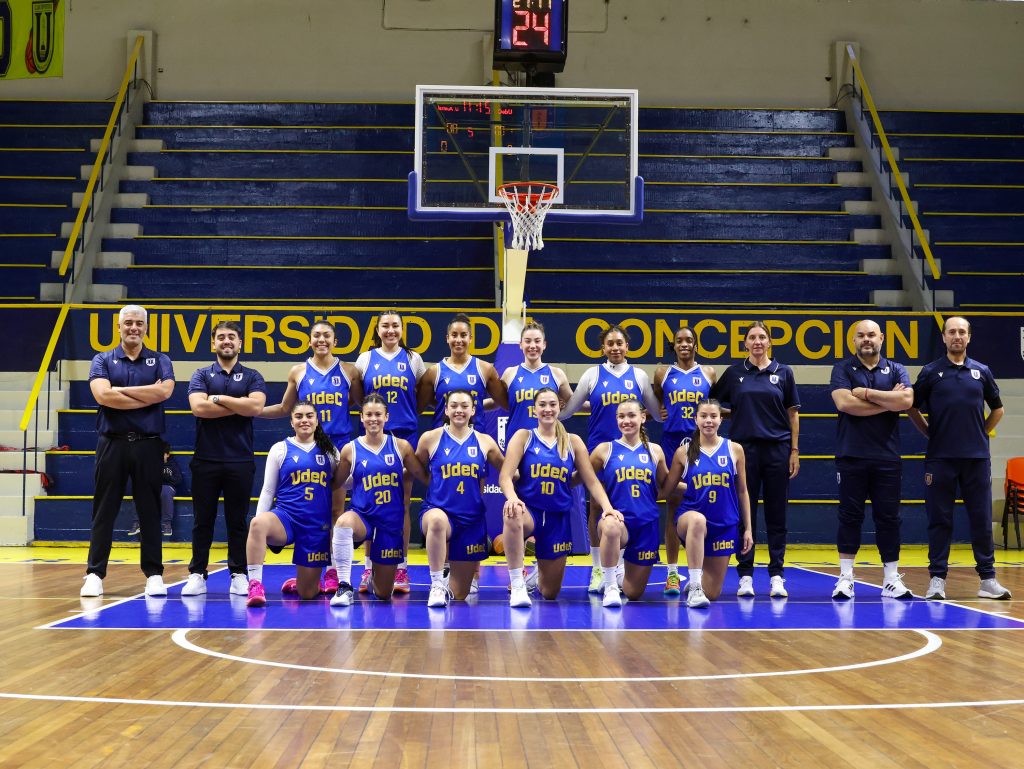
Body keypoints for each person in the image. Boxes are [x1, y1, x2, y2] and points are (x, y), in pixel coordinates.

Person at [908, 316, 1009, 601]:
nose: (957, 336)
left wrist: (981, 433)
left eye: (962, 332)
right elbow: (912, 408)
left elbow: (998, 409)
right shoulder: (930, 372)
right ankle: (937, 580)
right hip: (940, 459)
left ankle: (988, 580)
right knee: (939, 519)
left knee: (980, 519)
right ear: (943, 338)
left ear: (969, 337)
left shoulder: (982, 371)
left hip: (976, 459)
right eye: (952, 331)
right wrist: (931, 434)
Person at [260, 319, 363, 593]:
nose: (321, 340)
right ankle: (310, 571)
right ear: (309, 341)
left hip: (337, 447)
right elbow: (285, 407)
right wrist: (252, 410)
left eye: (326, 335)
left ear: (335, 341)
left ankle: (332, 571)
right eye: (316, 335)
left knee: (335, 511)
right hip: (307, 447)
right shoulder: (298, 371)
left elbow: (359, 404)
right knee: (310, 510)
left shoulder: (349, 371)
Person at [558, 324, 662, 594]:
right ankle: (598, 568)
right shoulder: (592, 375)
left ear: (627, 346)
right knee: (597, 509)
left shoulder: (639, 376)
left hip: (634, 453)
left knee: (629, 505)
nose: (615, 347)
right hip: (601, 453)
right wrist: (545, 411)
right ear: (603, 348)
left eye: (620, 343)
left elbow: (656, 412)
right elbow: (569, 410)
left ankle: (622, 564)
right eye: (610, 344)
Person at [81, 305, 175, 598]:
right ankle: (95, 574)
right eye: (128, 323)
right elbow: (102, 396)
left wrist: (119, 394)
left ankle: (154, 575)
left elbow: (165, 393)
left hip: (149, 443)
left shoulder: (160, 360)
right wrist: (147, 394)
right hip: (112, 442)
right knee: (104, 509)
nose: (133, 328)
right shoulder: (103, 359)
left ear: (146, 327)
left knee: (150, 510)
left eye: (139, 323)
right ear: (119, 327)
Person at [499, 388, 619, 607]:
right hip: (530, 512)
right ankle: (517, 585)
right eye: (542, 404)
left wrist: (607, 507)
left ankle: (535, 576)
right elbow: (505, 476)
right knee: (513, 513)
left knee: (550, 593)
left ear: (560, 407)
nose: (547, 409)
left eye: (552, 404)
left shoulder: (572, 442)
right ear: (534, 410)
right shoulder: (524, 437)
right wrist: (512, 497)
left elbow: (590, 480)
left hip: (558, 518)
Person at [710, 321, 800, 598]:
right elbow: (712, 404)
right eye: (752, 337)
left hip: (777, 450)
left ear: (769, 342)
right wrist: (731, 415)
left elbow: (793, 414)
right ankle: (745, 575)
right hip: (743, 451)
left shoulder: (783, 373)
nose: (757, 341)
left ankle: (776, 575)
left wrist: (794, 451)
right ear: (745, 343)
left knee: (777, 515)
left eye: (762, 337)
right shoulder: (735, 373)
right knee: (744, 516)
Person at [181, 321, 267, 597]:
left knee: (237, 520)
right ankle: (197, 573)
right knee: (202, 520)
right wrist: (238, 404)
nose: (226, 341)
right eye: (221, 337)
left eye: (232, 337)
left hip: (240, 460)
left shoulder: (252, 375)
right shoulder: (201, 374)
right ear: (213, 343)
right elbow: (198, 408)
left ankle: (238, 573)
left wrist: (217, 398)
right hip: (206, 459)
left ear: (240, 343)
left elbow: (256, 406)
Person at [830, 320, 913, 600]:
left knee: (889, 518)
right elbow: (844, 404)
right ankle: (846, 578)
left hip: (887, 458)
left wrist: (866, 394)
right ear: (853, 340)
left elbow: (906, 402)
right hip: (851, 455)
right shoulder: (842, 369)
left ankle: (891, 579)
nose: (867, 340)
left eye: (871, 335)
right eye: (861, 336)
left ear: (882, 338)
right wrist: (888, 401)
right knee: (849, 517)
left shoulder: (897, 368)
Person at [329, 394, 428, 606]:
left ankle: (375, 574)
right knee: (343, 523)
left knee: (383, 594)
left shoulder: (401, 447)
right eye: (369, 415)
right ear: (361, 418)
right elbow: (335, 483)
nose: (373, 419)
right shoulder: (350, 449)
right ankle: (344, 585)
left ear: (386, 417)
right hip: (362, 516)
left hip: (390, 523)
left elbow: (424, 476)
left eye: (378, 414)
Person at [353, 310, 426, 595]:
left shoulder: (413, 359)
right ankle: (369, 565)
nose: (391, 330)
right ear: (378, 329)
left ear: (402, 329)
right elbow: (360, 397)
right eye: (386, 326)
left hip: (404, 435)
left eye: (396, 325)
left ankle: (401, 567)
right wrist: (374, 417)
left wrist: (405, 415)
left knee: (402, 503)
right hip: (373, 436)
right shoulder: (366, 359)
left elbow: (420, 397)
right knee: (370, 503)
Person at [245, 401, 343, 606]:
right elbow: (268, 490)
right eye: (299, 417)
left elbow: (344, 483)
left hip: (316, 526)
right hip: (286, 518)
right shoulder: (280, 449)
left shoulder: (330, 452)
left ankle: (301, 582)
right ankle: (255, 585)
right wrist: (259, 522)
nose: (304, 420)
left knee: (308, 594)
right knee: (258, 524)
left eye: (309, 416)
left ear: (317, 421)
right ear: (291, 422)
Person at [415, 389, 504, 607]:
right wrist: (433, 483)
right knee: (436, 520)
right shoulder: (430, 438)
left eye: (465, 406)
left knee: (460, 595)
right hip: (438, 512)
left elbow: (509, 472)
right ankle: (436, 583)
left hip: (471, 521)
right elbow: (415, 468)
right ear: (445, 410)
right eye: (453, 405)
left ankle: (447, 579)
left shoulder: (485, 442)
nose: (459, 410)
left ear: (473, 410)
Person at [660, 399, 753, 607]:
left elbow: (743, 491)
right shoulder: (683, 452)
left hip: (723, 525)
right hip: (690, 519)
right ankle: (694, 586)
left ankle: (699, 581)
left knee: (712, 593)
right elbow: (666, 490)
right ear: (695, 419)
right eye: (703, 416)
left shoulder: (734, 449)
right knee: (697, 520)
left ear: (721, 419)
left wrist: (747, 529)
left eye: (713, 416)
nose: (708, 421)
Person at [653, 326, 716, 596]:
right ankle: (672, 573)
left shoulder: (709, 373)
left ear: (696, 345)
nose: (684, 344)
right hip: (671, 444)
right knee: (672, 507)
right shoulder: (663, 373)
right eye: (679, 341)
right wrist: (661, 409)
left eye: (689, 340)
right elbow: (658, 397)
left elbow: (715, 407)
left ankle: (700, 572)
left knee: (704, 505)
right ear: (674, 345)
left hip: (701, 444)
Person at [590, 399, 669, 607]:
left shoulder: (655, 451)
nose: (627, 421)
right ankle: (610, 587)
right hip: (619, 521)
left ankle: (618, 575)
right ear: (616, 420)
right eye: (621, 416)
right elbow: (585, 477)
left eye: (632, 416)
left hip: (647, 524)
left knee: (634, 593)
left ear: (643, 417)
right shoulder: (604, 450)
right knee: (610, 526)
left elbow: (666, 485)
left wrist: (694, 490)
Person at [417, 312, 508, 430]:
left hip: (476, 438)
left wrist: (476, 405)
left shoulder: (485, 369)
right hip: (442, 439)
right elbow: (419, 407)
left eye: (463, 335)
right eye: (454, 335)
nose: (458, 340)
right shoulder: (434, 372)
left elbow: (503, 403)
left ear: (470, 338)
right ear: (447, 338)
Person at [500, 321, 573, 440]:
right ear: (520, 344)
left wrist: (598, 404)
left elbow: (574, 403)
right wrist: (471, 404)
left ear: (544, 344)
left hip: (548, 442)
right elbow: (495, 402)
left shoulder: (556, 374)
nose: (532, 345)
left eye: (537, 341)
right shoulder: (510, 373)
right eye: (528, 341)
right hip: (515, 442)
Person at [127, 441, 182, 538]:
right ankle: (137, 523)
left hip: (167, 487)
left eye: (162, 455)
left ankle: (167, 524)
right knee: (138, 492)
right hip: (153, 487)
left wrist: (166, 477)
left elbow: (178, 480)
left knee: (165, 491)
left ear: (167, 455)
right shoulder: (151, 463)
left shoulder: (172, 464)